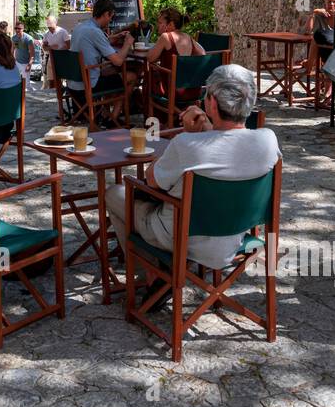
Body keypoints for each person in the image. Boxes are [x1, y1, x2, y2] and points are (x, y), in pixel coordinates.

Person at [108, 64, 280, 269]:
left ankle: (152, 273)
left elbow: (152, 180)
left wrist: (189, 135)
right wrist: (208, 128)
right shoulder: (268, 140)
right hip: (235, 236)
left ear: (213, 104)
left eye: (206, 94)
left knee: (114, 193)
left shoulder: (187, 144)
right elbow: (228, 143)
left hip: (182, 238)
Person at [67, 0, 134, 106]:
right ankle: (112, 117)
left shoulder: (80, 27)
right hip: (88, 86)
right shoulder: (95, 32)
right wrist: (127, 43)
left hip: (74, 83)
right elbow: (118, 61)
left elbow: (93, 43)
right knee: (131, 76)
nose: (110, 21)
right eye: (111, 17)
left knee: (111, 72)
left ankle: (104, 113)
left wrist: (114, 37)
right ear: (106, 14)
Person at [145, 7, 207, 106]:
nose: (158, 25)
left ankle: (155, 117)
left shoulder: (165, 37)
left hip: (173, 93)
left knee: (149, 75)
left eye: (160, 23)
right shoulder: (188, 37)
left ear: (170, 24)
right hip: (193, 92)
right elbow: (203, 54)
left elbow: (150, 58)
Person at [41, 14, 71, 87]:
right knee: (51, 81)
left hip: (62, 58)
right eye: (48, 24)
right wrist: (51, 47)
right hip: (51, 58)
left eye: (50, 24)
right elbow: (44, 47)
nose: (49, 26)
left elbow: (69, 46)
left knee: (59, 81)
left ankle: (59, 96)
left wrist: (59, 48)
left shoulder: (63, 32)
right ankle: (54, 96)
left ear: (55, 22)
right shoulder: (46, 34)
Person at [12, 21, 36, 90]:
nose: (17, 30)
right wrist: (12, 61)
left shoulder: (28, 39)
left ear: (23, 29)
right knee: (16, 81)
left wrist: (29, 64)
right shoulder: (14, 38)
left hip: (26, 63)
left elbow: (32, 53)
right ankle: (19, 97)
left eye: (19, 28)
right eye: (15, 28)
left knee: (27, 84)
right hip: (17, 62)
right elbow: (12, 50)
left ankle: (31, 97)